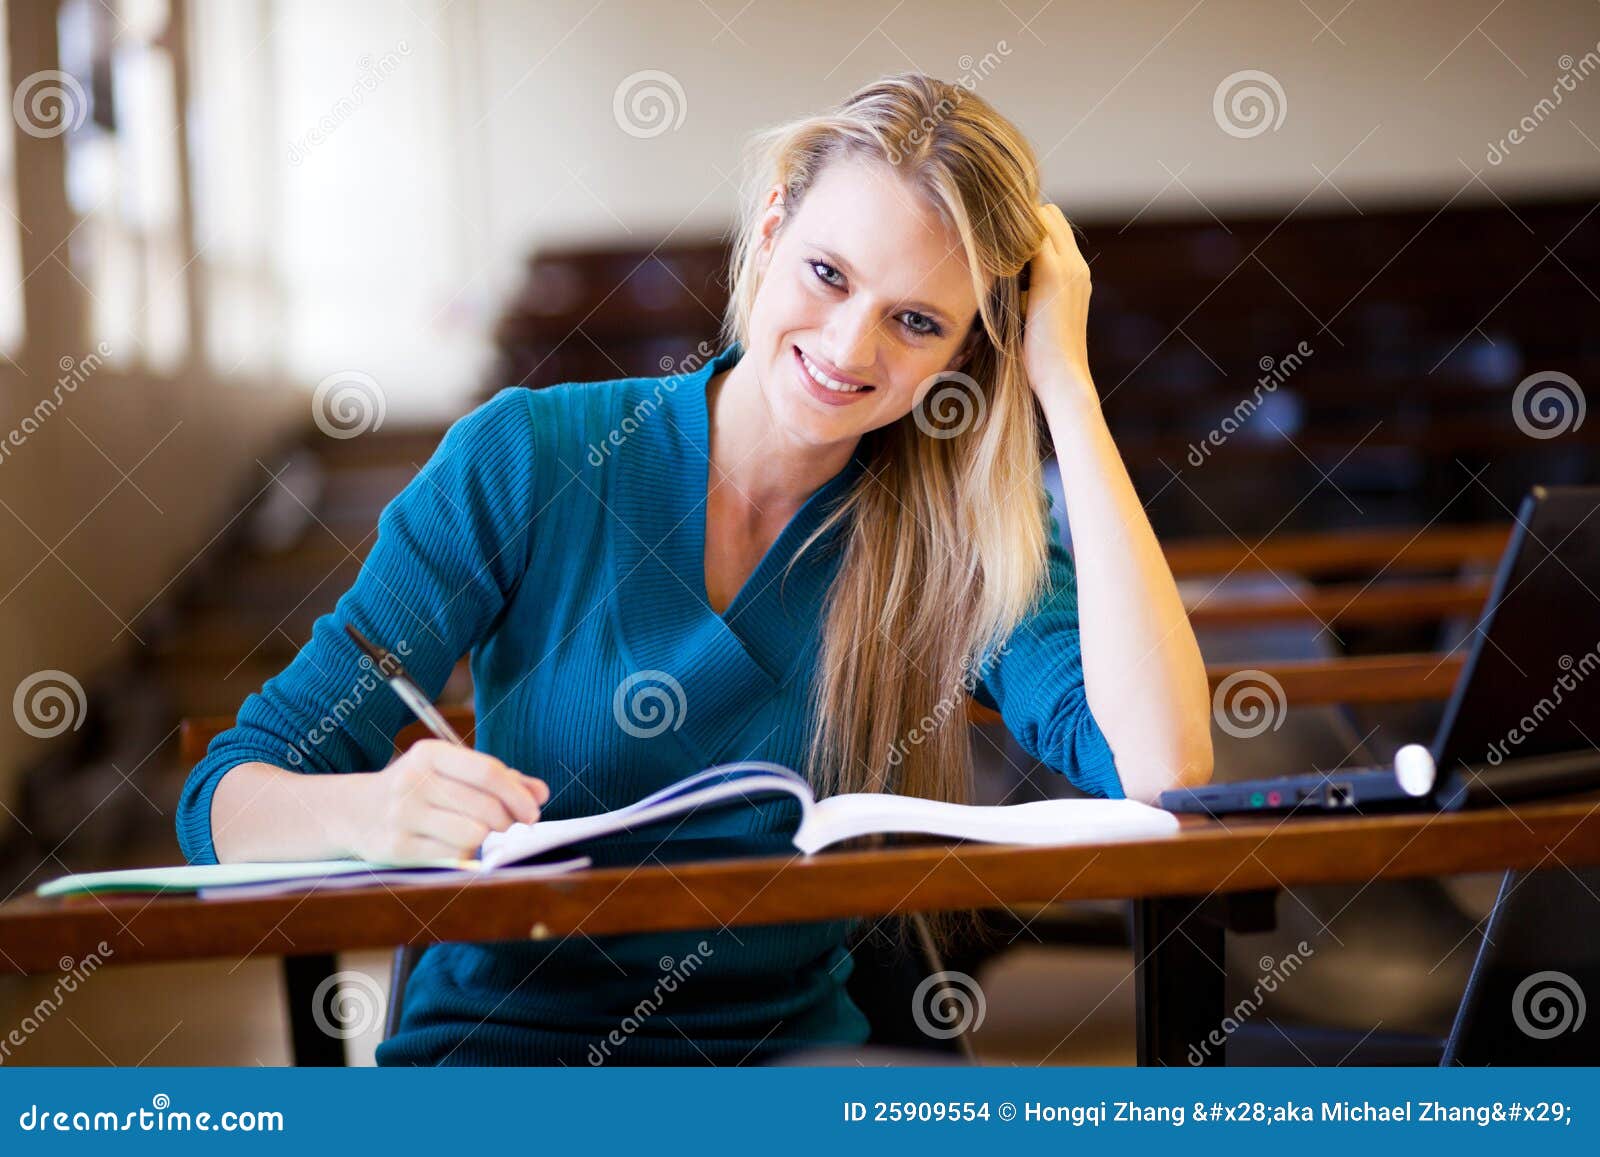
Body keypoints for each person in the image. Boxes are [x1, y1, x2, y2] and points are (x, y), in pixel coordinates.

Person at [176, 72, 1212, 1066]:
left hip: (790, 1076)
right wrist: (366, 812)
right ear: (769, 232)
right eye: (827, 273)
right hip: (505, 1066)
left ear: (965, 351)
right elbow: (223, 800)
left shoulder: (948, 540)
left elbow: (1159, 766)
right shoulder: (527, 456)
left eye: (916, 321)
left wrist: (1064, 383)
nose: (849, 347)